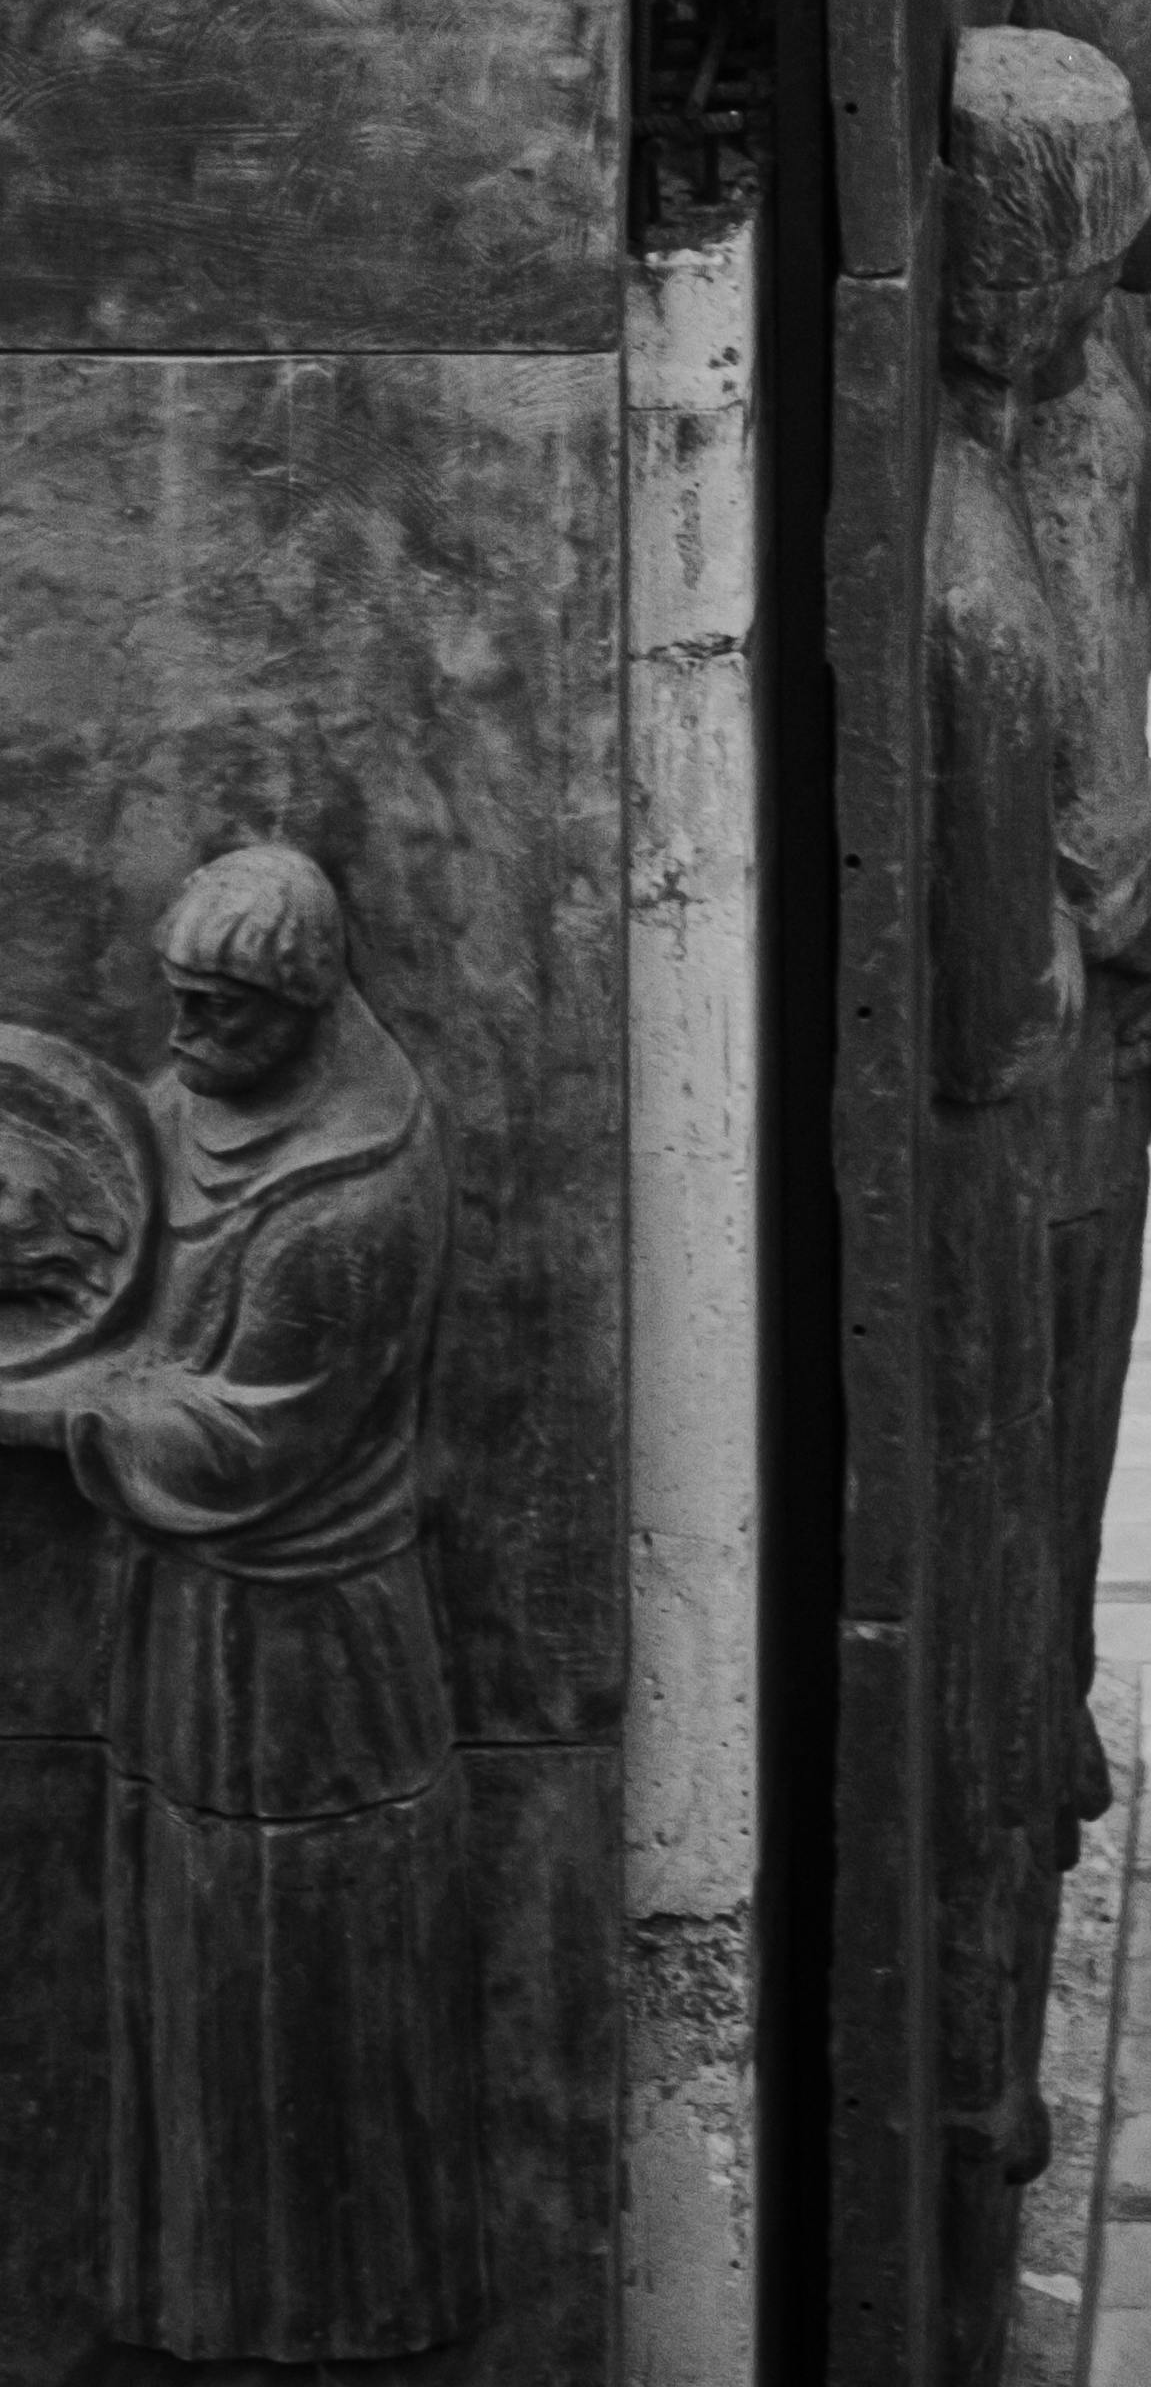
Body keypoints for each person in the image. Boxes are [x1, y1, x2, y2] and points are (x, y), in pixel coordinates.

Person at [0, 844, 488, 2361]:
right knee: (189, 1960)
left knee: (300, 1979)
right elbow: (125, 1219)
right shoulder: (220, 1097)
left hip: (309, 1651)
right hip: (187, 1629)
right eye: (178, 1004)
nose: (189, 1039)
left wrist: (31, 1412)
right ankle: (198, 2299)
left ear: (308, 1002)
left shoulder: (351, 1186)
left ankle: (339, 2315)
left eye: (224, 1013)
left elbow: (246, 1436)